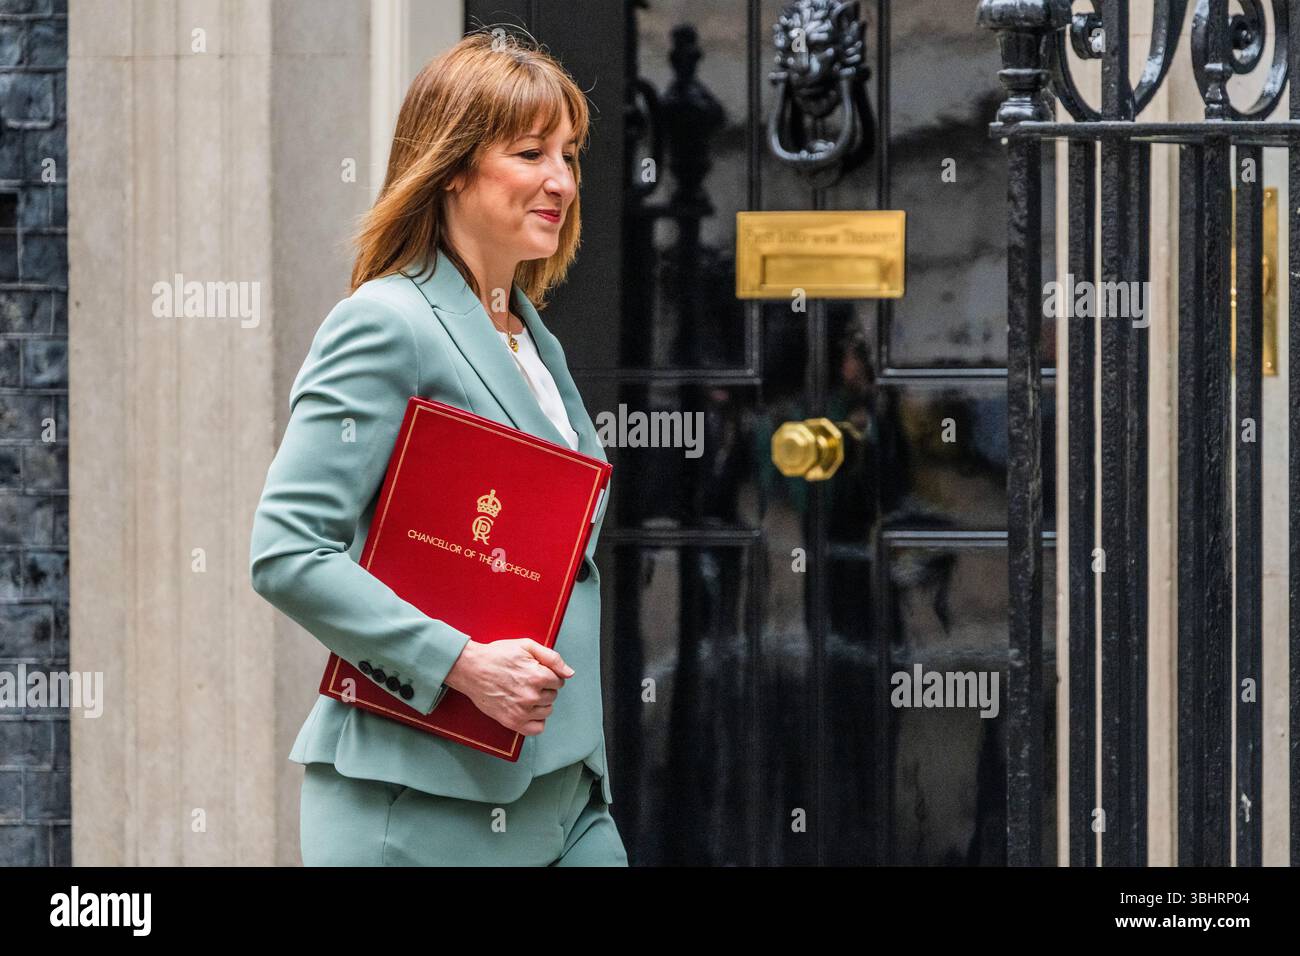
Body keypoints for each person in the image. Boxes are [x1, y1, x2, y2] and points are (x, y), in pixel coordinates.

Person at [248, 28, 627, 866]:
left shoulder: (531, 339)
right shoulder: (387, 323)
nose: (561, 180)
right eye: (530, 153)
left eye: (569, 154)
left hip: (566, 795)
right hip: (421, 808)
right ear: (451, 165)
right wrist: (459, 663)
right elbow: (286, 552)